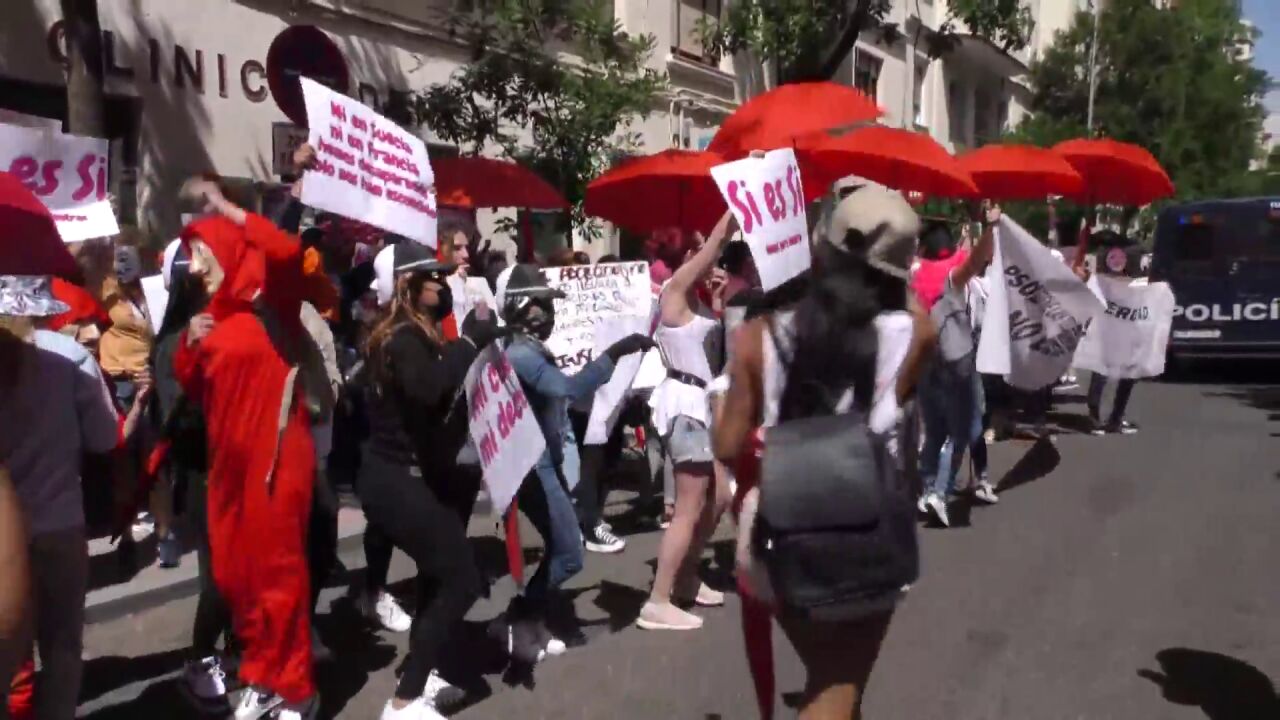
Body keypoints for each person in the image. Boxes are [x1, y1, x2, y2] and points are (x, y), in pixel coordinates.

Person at [711, 185, 936, 720]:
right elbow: (920, 315)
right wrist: (889, 270)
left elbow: (725, 445)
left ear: (821, 251)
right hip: (867, 535)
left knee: (830, 682)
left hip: (774, 533)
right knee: (836, 691)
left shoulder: (755, 337)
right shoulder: (909, 333)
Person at [173, 179, 328, 720]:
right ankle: (263, 675)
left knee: (277, 577)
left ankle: (298, 690)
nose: (193, 268)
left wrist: (230, 209)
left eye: (199, 253)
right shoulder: (210, 315)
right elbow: (193, 388)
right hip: (230, 469)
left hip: (278, 459)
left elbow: (286, 248)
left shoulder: (272, 300)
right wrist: (189, 347)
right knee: (237, 580)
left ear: (228, 247)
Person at [361, 241, 502, 720]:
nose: (443, 284)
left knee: (435, 578)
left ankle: (421, 673)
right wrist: (468, 342)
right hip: (395, 479)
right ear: (407, 284)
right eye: (433, 277)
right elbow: (430, 387)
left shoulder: (412, 334)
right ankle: (403, 703)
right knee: (463, 579)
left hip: (413, 476)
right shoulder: (401, 338)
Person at [500, 264, 654, 659]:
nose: (549, 314)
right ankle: (519, 618)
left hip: (542, 462)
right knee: (569, 553)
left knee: (560, 547)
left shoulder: (527, 350)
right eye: (541, 305)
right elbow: (568, 388)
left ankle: (528, 620)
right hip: (535, 468)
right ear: (520, 307)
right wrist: (614, 354)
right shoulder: (521, 354)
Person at [0, 275, 119, 720]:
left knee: (10, 658)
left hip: (4, 537)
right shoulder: (69, 357)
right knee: (62, 646)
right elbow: (105, 438)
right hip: (60, 524)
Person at [640, 210, 738, 631]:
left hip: (701, 403)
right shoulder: (674, 290)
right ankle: (659, 599)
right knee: (688, 507)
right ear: (686, 254)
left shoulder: (693, 296)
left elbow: (715, 351)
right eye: (698, 248)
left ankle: (685, 577)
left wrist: (718, 304)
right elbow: (714, 247)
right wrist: (732, 212)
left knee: (719, 496)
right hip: (685, 406)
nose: (708, 257)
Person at [912, 213, 998, 528]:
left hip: (924, 362)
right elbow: (975, 261)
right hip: (957, 361)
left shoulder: (913, 277)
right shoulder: (952, 278)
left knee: (934, 432)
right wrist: (992, 227)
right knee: (961, 431)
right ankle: (940, 492)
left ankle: (926, 489)